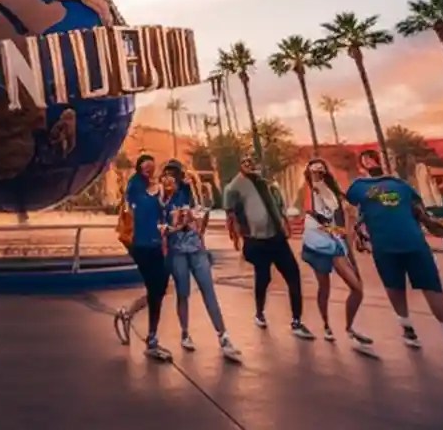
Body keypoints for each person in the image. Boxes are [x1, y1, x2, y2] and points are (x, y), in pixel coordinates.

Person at [345, 149, 443, 361]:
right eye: (365, 159)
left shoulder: (402, 186)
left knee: (432, 288)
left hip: (415, 245)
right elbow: (347, 209)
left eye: (373, 157)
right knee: (395, 289)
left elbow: (419, 211)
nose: (370, 161)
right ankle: (407, 327)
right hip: (384, 248)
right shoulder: (357, 188)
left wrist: (437, 226)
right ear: (361, 166)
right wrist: (354, 234)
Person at [223, 155, 314, 339]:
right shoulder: (234, 187)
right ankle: (259, 313)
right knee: (263, 278)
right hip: (256, 241)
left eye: (252, 162)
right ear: (239, 165)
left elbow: (277, 208)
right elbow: (230, 214)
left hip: (276, 239)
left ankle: (296, 321)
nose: (249, 164)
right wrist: (237, 237)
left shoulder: (265, 184)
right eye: (245, 161)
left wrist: (285, 225)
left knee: (293, 276)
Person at [159, 160, 242, 362]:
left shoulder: (190, 191)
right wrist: (176, 226)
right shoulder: (162, 198)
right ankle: (185, 332)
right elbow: (162, 226)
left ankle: (223, 335)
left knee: (208, 291)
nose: (170, 178)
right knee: (183, 293)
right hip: (177, 251)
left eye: (174, 174)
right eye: (167, 174)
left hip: (196, 249)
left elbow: (204, 210)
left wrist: (199, 230)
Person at [299, 158, 373, 351]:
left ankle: (349, 328)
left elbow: (343, 216)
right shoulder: (309, 192)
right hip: (319, 244)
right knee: (324, 286)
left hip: (335, 242)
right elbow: (318, 216)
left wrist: (352, 231)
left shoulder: (332, 191)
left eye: (321, 170)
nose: (318, 174)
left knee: (357, 288)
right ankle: (326, 325)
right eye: (314, 171)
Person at [113, 154, 173, 360]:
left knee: (160, 288)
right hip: (140, 246)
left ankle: (131, 316)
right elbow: (130, 204)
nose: (149, 170)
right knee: (155, 288)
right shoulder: (135, 186)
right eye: (145, 167)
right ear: (139, 168)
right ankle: (151, 337)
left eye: (152, 167)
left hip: (156, 245)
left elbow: (163, 215)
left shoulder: (156, 191)